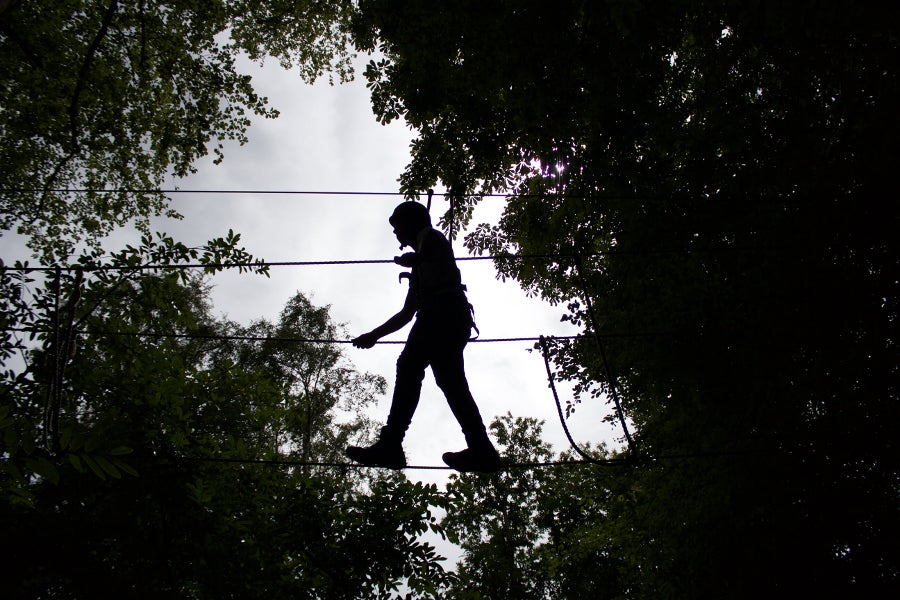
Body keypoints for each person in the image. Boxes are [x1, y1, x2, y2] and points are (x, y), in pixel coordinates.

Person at [346, 201, 501, 473]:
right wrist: (374, 335)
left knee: (410, 365)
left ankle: (391, 445)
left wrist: (415, 259)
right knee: (451, 383)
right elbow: (406, 313)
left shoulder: (431, 238)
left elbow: (433, 253)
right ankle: (481, 449)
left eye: (397, 228)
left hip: (441, 315)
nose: (395, 235)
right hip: (449, 319)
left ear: (410, 224)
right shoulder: (419, 267)